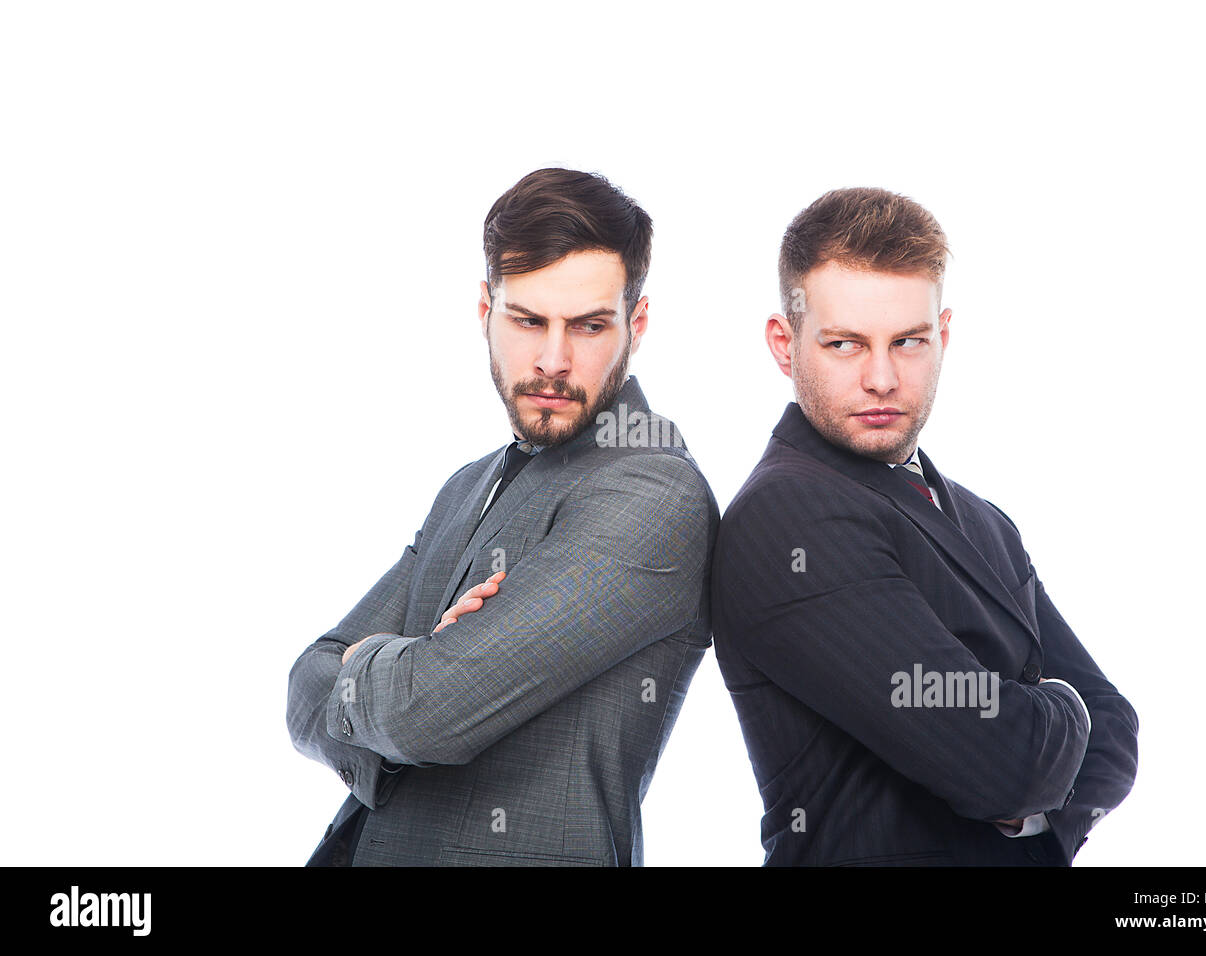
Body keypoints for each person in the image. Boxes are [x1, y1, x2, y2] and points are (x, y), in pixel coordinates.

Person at [286, 167, 718, 866]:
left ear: (636, 324)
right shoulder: (468, 485)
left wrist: (372, 664)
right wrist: (404, 670)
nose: (553, 360)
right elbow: (303, 690)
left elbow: (425, 713)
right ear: (486, 309)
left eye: (588, 325)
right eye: (528, 320)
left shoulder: (653, 492)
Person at [711, 187, 1138, 866]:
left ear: (942, 334)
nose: (881, 378)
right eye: (845, 344)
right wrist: (1057, 704)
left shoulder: (984, 521)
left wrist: (1031, 733)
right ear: (784, 344)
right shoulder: (790, 516)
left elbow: (1117, 739)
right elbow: (1006, 766)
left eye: (907, 342)